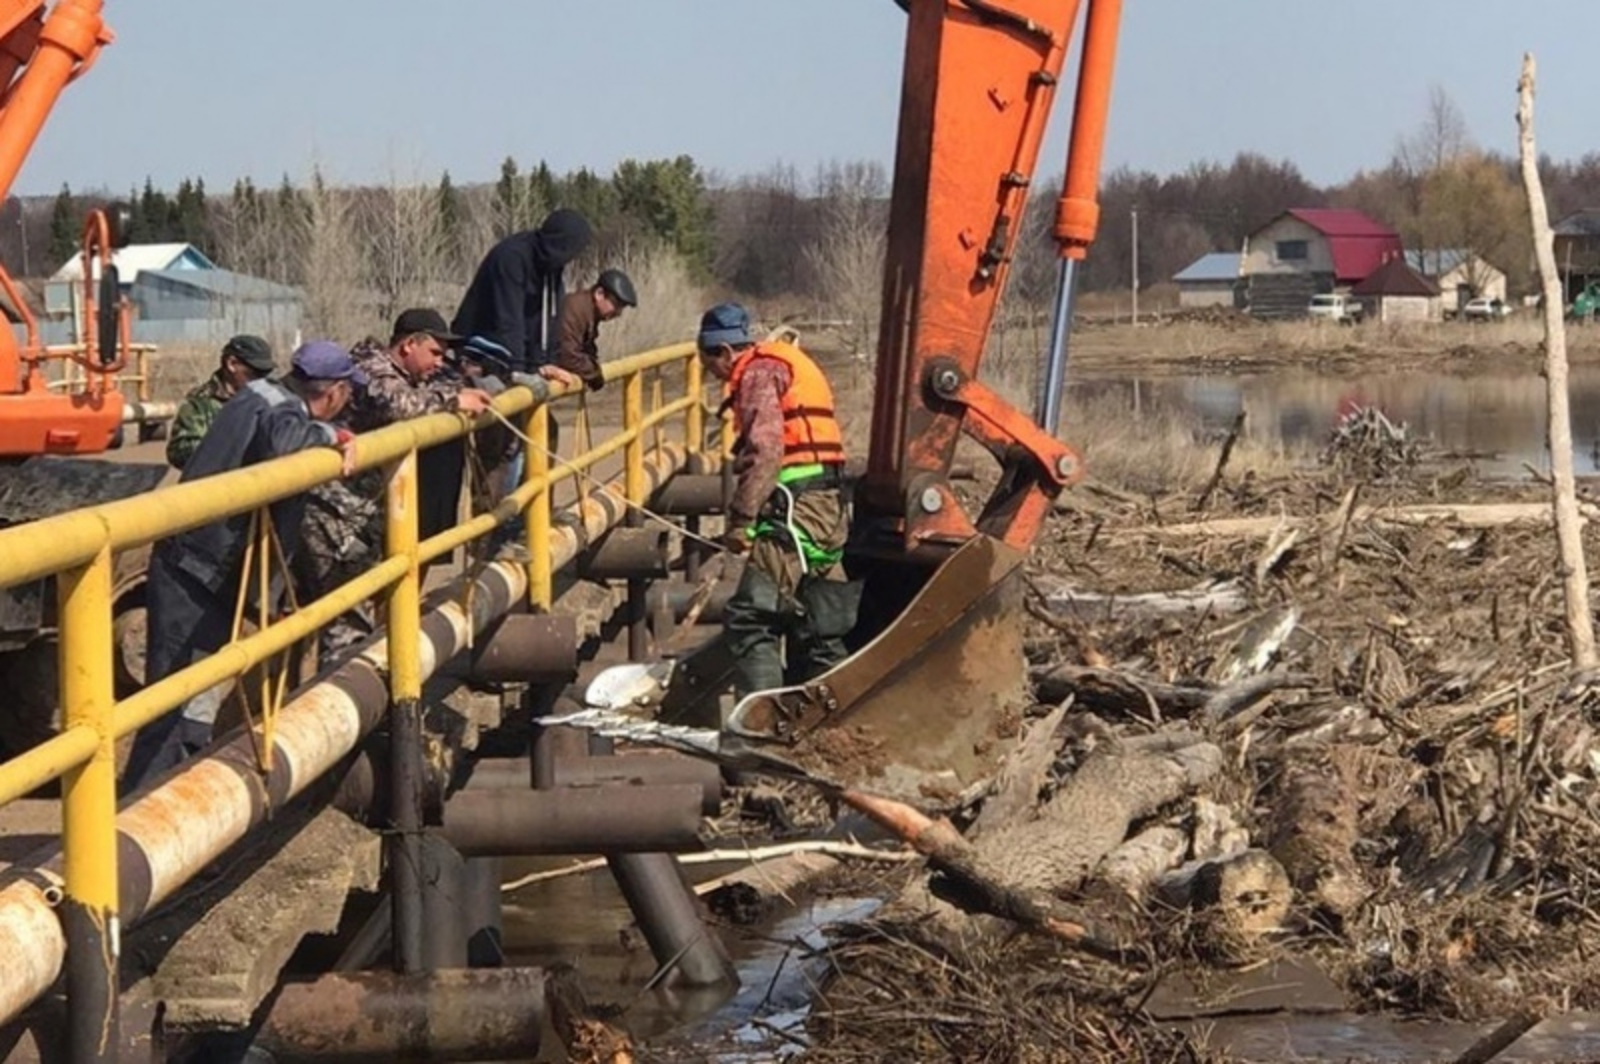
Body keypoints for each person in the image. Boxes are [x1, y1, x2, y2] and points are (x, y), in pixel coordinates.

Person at [122, 341, 364, 792]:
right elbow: (285, 443)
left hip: (206, 565)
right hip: (195, 565)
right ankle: (141, 811)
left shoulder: (262, 394)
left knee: (197, 692)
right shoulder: (281, 409)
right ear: (333, 392)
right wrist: (333, 437)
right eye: (348, 393)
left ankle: (183, 794)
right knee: (171, 696)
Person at [298, 309, 494, 659]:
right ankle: (346, 681)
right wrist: (453, 400)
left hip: (359, 509)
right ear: (408, 346)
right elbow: (397, 405)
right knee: (345, 614)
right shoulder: (369, 369)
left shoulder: (408, 374)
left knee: (360, 603)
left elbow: (451, 380)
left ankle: (363, 669)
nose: (440, 362)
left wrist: (461, 390)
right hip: (333, 511)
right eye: (434, 352)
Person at [695, 302, 861, 697]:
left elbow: (767, 450)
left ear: (725, 351)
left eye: (708, 362)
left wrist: (742, 519)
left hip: (796, 509)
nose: (711, 373)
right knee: (820, 625)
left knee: (751, 618)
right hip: (828, 506)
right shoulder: (786, 363)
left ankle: (761, 720)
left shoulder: (756, 373)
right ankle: (833, 717)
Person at [452, 208, 593, 372]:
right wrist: (518, 370)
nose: (572, 258)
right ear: (563, 245)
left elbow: (551, 320)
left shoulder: (552, 267)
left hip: (513, 357)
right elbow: (509, 321)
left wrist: (548, 365)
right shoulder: (511, 258)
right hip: (479, 350)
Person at [166, 334, 277, 470]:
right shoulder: (201, 403)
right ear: (232, 364)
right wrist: (233, 447)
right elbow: (179, 452)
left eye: (265, 374)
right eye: (255, 373)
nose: (261, 380)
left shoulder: (273, 397)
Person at [555, 268, 637, 390]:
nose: (618, 313)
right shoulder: (576, 310)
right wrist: (594, 373)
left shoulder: (589, 311)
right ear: (599, 294)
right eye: (616, 305)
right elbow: (567, 355)